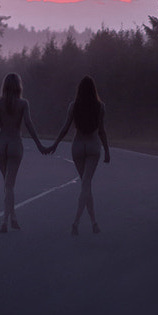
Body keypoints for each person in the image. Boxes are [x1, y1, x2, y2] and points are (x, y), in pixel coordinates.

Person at [47, 75, 110, 235]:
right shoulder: (100, 106)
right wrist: (107, 151)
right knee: (86, 184)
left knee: (85, 185)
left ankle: (92, 222)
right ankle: (79, 221)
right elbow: (102, 131)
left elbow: (65, 128)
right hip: (93, 146)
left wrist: (55, 144)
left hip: (78, 147)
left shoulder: (73, 106)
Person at [0, 72, 46, 233]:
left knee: (7, 185)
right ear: (19, 87)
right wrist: (39, 145)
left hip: (1, 144)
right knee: (9, 184)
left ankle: (13, 217)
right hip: (15, 145)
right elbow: (29, 124)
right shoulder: (23, 104)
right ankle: (5, 221)